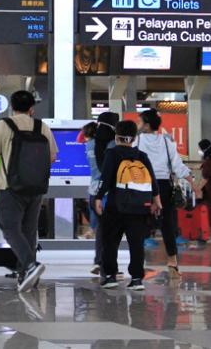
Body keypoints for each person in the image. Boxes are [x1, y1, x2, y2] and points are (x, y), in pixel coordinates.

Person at [0, 90, 58, 293]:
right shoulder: (42, 127)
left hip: (10, 186)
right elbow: (52, 157)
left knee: (8, 226)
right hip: (36, 187)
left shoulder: (4, 126)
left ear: (11, 107)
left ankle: (30, 265)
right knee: (28, 230)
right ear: (32, 108)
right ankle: (26, 273)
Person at [95, 119, 162, 291]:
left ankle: (110, 276)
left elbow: (106, 178)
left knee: (110, 241)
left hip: (116, 206)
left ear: (117, 136)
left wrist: (98, 197)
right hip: (140, 207)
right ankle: (137, 279)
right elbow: (153, 181)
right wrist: (157, 201)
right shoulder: (142, 156)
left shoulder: (112, 153)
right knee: (136, 243)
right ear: (133, 138)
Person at [135, 109, 194, 277]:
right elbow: (177, 166)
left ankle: (139, 265)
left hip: (143, 184)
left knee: (139, 224)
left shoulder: (137, 141)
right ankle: (172, 262)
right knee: (167, 224)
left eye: (140, 122)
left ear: (146, 125)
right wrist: (192, 182)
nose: (138, 126)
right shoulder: (167, 142)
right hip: (163, 186)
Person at [85, 111, 118, 276]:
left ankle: (100, 262)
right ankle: (107, 266)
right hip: (107, 193)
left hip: (93, 191)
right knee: (111, 231)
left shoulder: (89, 144)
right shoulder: (113, 145)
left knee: (101, 230)